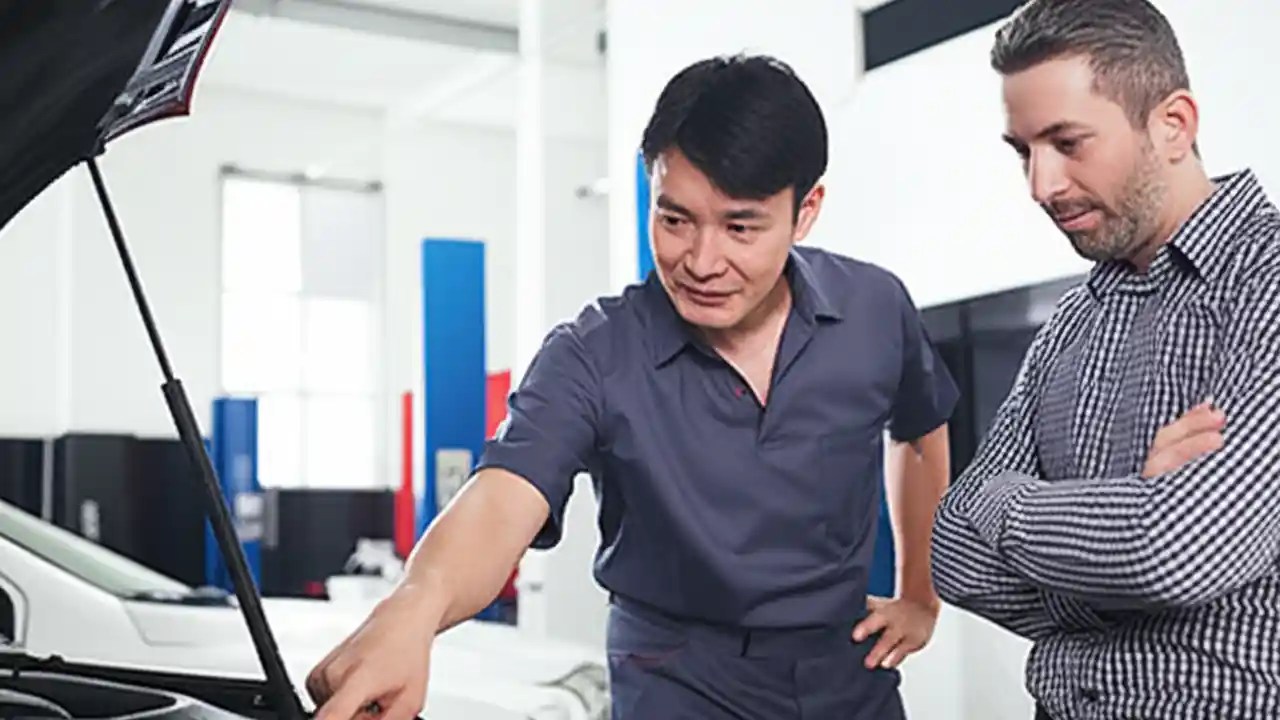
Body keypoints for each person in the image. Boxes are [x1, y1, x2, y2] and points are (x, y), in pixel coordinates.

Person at [307, 54, 958, 720]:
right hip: (675, 683)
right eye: (674, 219)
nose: (701, 262)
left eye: (740, 227)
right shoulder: (594, 353)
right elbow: (502, 500)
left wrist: (921, 594)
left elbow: (918, 427)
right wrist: (414, 609)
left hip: (846, 678)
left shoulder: (876, 308)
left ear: (806, 210)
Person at [929, 1, 1280, 719]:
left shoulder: (1267, 281)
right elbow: (953, 552)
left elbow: (1175, 548)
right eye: (1023, 150)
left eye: (1068, 142)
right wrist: (1127, 521)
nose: (1040, 185)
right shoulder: (1069, 324)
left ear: (1173, 124)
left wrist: (1005, 505)